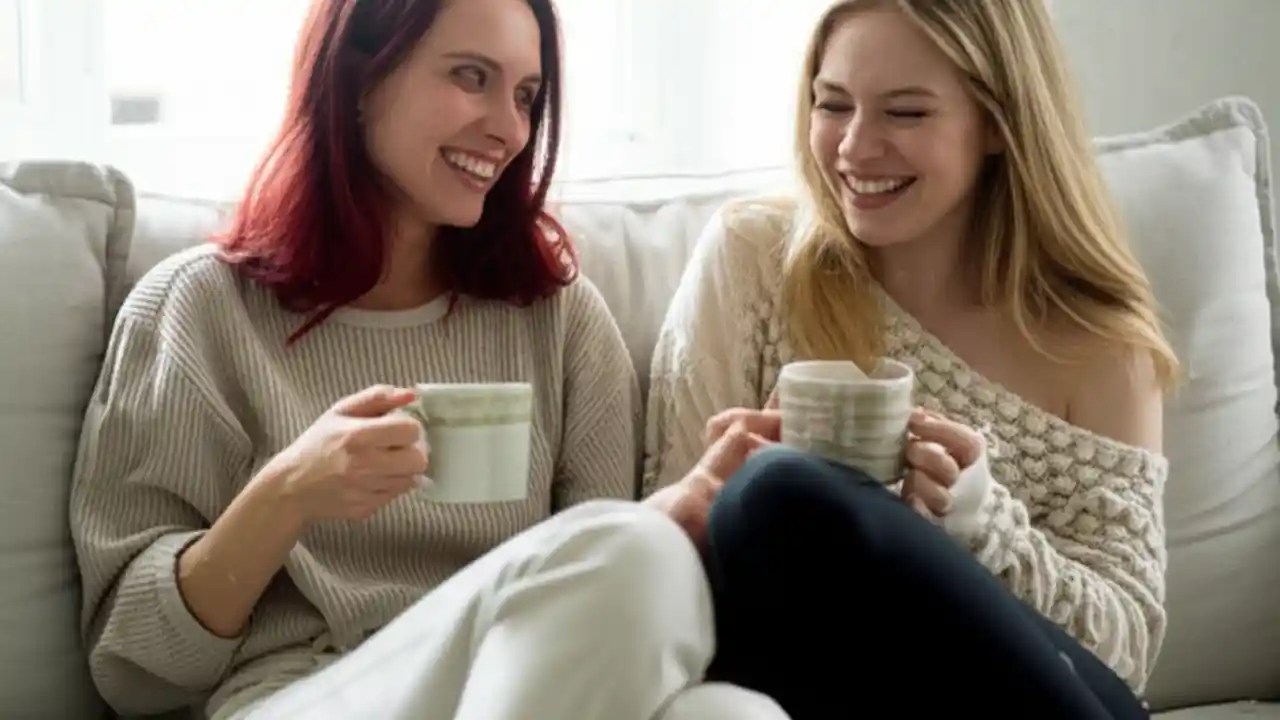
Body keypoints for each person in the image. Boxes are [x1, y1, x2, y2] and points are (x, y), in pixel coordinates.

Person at [68, 1, 787, 719]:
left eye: (526, 97)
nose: (509, 128)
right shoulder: (199, 310)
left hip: (517, 683)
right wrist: (287, 492)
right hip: (301, 692)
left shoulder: (560, 319)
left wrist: (677, 513)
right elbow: (134, 669)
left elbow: (595, 584)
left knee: (732, 711)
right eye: (471, 76)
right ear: (357, 81)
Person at [643, 0, 1174, 717]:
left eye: (906, 114)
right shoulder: (752, 262)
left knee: (780, 488)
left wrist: (980, 524)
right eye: (833, 105)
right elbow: (653, 570)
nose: (855, 149)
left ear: (996, 120)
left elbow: (1125, 648)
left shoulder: (1104, 346)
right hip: (796, 673)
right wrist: (714, 491)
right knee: (774, 493)